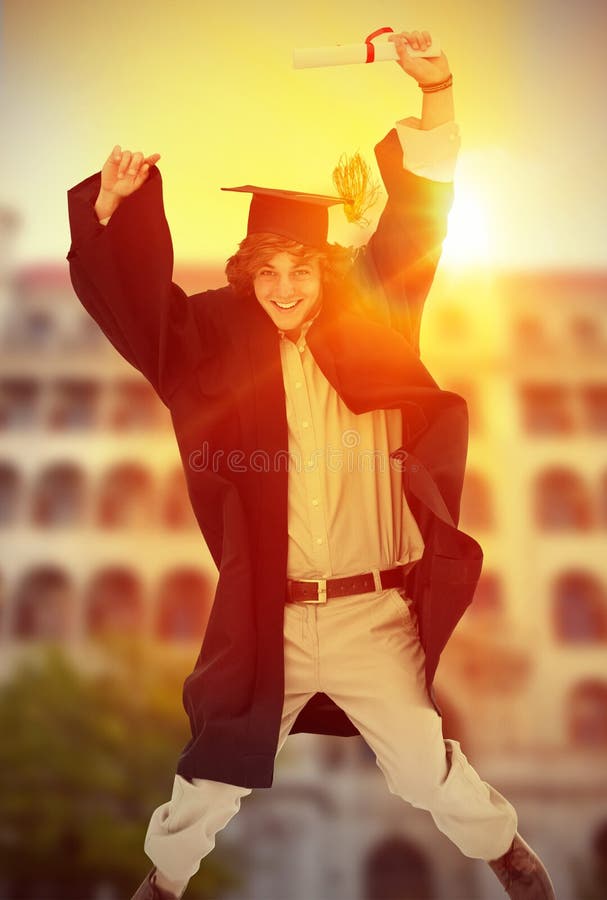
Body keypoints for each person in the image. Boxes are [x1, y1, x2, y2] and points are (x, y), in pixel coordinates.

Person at [66, 29, 555, 900]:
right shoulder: (214, 347)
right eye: (267, 272)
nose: (285, 287)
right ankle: (162, 882)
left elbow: (416, 224)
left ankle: (507, 852)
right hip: (271, 612)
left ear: (327, 270)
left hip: (371, 614)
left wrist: (436, 92)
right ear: (246, 273)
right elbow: (139, 315)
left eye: (301, 269)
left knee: (422, 765)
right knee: (212, 767)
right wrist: (110, 213)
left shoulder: (374, 323)